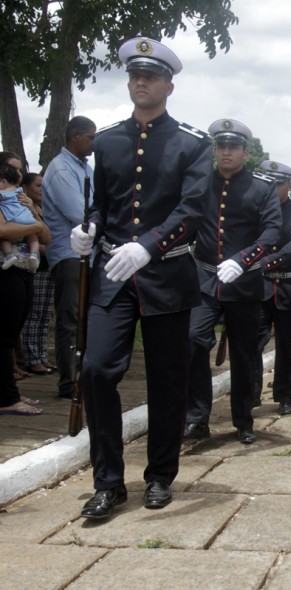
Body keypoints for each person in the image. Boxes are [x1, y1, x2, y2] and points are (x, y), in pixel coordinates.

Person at [70, 37, 212, 520]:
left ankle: (159, 475)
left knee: (168, 380)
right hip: (112, 274)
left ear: (168, 85)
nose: (140, 82)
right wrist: (86, 229)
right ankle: (109, 480)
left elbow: (192, 210)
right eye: (134, 75)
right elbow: (101, 205)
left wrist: (148, 246)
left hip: (167, 274)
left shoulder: (192, 143)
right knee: (95, 371)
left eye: (150, 76)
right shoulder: (106, 141)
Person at [183, 120, 282, 444]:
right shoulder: (200, 184)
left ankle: (243, 418)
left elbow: (271, 233)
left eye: (232, 147)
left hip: (244, 282)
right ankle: (197, 417)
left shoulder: (261, 187)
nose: (226, 152)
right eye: (221, 146)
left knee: (244, 353)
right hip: (204, 279)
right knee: (194, 339)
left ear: (245, 151)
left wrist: (243, 261)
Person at [40, 115, 96, 398]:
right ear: (75, 135)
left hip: (87, 254)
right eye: (90, 137)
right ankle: (68, 382)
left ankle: (82, 377)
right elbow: (80, 214)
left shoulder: (84, 168)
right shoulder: (61, 169)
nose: (93, 143)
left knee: (85, 317)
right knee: (71, 318)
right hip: (70, 254)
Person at [0, 151, 50, 416]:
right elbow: (2, 230)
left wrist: (32, 215)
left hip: (25, 270)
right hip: (5, 271)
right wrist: (31, 227)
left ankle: (9, 392)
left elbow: (47, 236)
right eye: (13, 168)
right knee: (5, 336)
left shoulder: (22, 200)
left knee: (12, 331)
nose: (18, 173)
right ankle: (7, 397)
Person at [255, 159, 291, 416]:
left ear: (288, 185)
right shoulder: (255, 208)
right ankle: (251, 394)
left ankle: (285, 395)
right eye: (269, 183)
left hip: (287, 285)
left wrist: (266, 261)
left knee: (287, 345)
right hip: (258, 286)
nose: (273, 189)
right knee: (252, 342)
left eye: (278, 184)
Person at [19, 173, 56, 375]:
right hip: (37, 266)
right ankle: (32, 358)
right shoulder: (25, 209)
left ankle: (42, 356)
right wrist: (51, 250)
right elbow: (29, 238)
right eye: (37, 185)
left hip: (48, 264)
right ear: (25, 187)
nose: (41, 189)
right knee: (34, 315)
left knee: (44, 315)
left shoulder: (41, 209)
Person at [0, 172, 40, 273]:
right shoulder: (20, 191)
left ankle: (9, 255)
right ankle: (34, 253)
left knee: (4, 239)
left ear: (4, 181)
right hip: (27, 219)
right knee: (33, 237)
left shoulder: (3, 193)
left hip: (13, 220)